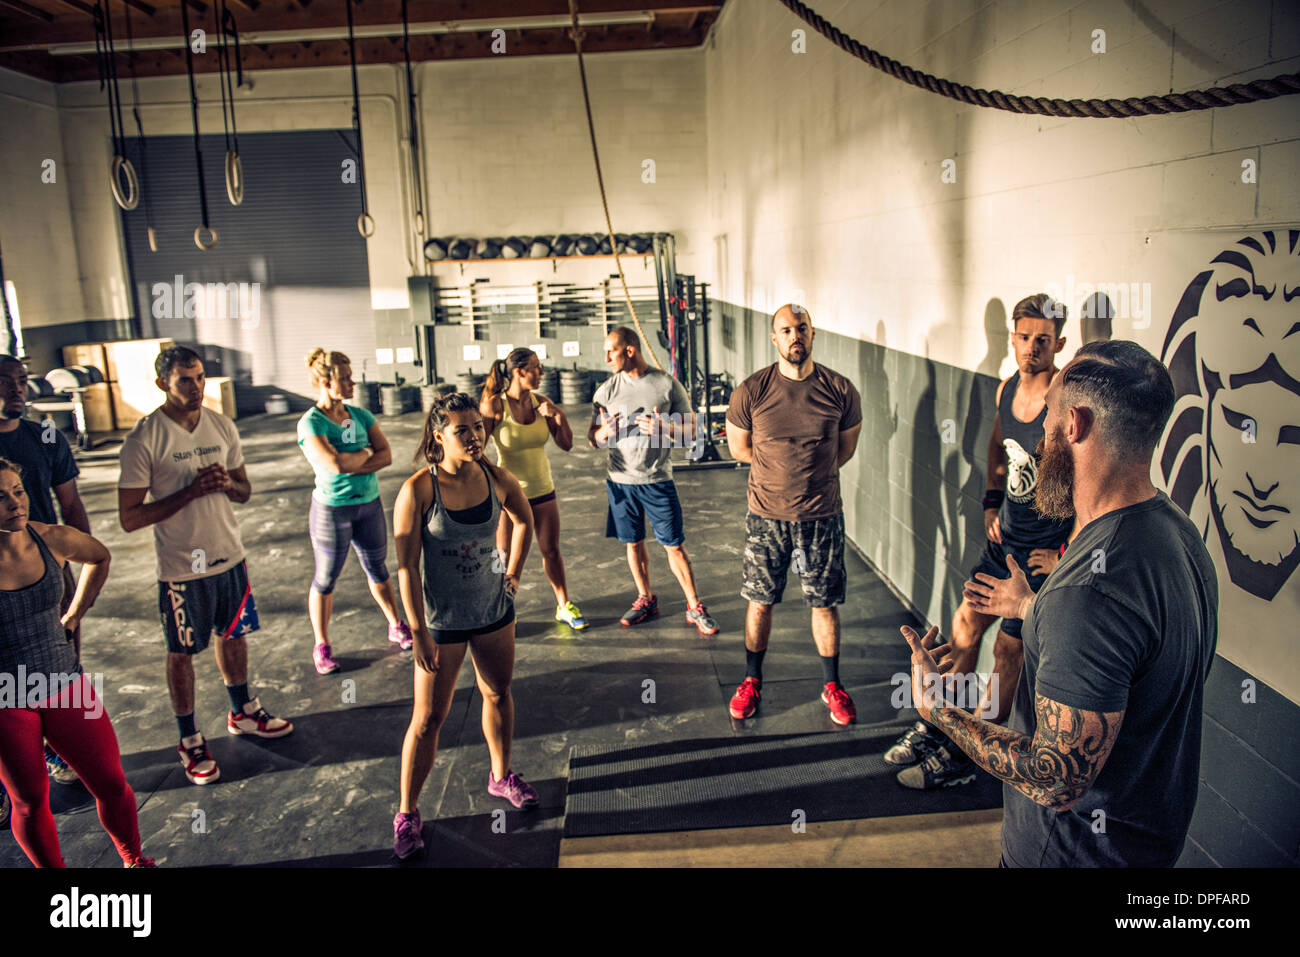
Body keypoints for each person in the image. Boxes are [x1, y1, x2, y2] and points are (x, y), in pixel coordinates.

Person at [902, 340, 1218, 867]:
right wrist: (1032, 606)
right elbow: (1130, 654)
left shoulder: (1088, 593)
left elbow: (1055, 780)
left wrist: (941, 712)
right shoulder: (1178, 536)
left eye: (1047, 419)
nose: (1040, 436)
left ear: (1073, 424)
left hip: (1069, 854)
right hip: (1146, 845)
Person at [885, 294, 1073, 788]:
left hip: (1038, 556)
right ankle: (941, 724)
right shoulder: (1006, 388)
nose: (1032, 347)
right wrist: (991, 502)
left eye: (1043, 340)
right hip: (1004, 542)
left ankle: (971, 756)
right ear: (1011, 338)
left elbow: (1086, 483)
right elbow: (995, 446)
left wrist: (1064, 552)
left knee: (1007, 654)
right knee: (964, 627)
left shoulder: (1066, 403)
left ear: (1059, 344)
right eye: (1024, 337)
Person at [118, 346, 292, 787]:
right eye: (185, 380)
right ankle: (189, 738)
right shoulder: (145, 438)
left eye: (199, 378)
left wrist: (226, 483)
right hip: (182, 568)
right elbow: (130, 517)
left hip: (228, 555)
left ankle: (242, 710)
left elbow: (244, 491)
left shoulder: (221, 425)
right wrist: (190, 492)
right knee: (181, 654)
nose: (196, 387)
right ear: (162, 384)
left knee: (233, 635)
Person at [391, 393, 540, 860]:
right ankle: (407, 813)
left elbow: (524, 521)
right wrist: (418, 630)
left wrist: (512, 574)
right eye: (462, 430)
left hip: (494, 611)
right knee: (428, 719)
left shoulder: (498, 478)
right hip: (443, 623)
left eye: (478, 427)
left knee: (498, 693)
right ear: (439, 437)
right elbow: (406, 567)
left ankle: (500, 776)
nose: (475, 436)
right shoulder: (418, 490)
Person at [0, 457, 154, 867]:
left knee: (111, 783)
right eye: (1, 497)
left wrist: (73, 616)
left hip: (64, 682)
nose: (15, 502)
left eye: (18, 491)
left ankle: (134, 860)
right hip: (6, 698)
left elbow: (99, 557)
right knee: (29, 803)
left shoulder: (50, 538)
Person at [724, 304, 862, 724]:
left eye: (801, 328)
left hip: (821, 517)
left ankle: (832, 685)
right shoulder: (751, 391)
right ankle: (751, 680)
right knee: (760, 601)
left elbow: (843, 450)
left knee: (824, 603)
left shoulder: (840, 390)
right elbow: (740, 449)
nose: (794, 336)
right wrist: (778, 473)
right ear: (775, 338)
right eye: (785, 330)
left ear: (812, 333)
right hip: (766, 518)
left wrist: (807, 477)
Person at [0, 354, 92, 786]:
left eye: (22, 380)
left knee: (62, 651)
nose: (17, 388)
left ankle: (58, 744)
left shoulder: (45, 437)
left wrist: (79, 561)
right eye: (6, 381)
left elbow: (70, 503)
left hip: (48, 568)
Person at [588, 327, 717, 634]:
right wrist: (603, 433)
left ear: (630, 350)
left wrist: (666, 429)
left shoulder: (667, 385)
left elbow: (693, 434)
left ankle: (694, 606)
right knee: (633, 543)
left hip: (657, 480)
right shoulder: (605, 391)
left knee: (674, 545)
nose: (606, 358)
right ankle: (645, 598)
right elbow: (592, 439)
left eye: (611, 351)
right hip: (620, 483)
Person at [297, 348, 411, 674]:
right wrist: (364, 454)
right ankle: (321, 645)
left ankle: (396, 625)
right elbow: (333, 465)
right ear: (325, 382)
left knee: (378, 568)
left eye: (351, 376)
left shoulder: (360, 416)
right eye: (345, 378)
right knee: (325, 578)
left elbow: (386, 455)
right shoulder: (311, 423)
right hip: (332, 511)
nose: (352, 382)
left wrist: (353, 459)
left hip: (369, 506)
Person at [480, 347, 587, 631]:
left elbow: (566, 444)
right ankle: (501, 608)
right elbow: (476, 449)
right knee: (501, 556)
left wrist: (558, 415)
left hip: (543, 489)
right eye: (536, 367)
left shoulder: (543, 403)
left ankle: (563, 605)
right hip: (508, 496)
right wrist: (496, 479)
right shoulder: (495, 406)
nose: (541, 372)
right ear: (519, 372)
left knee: (551, 550)